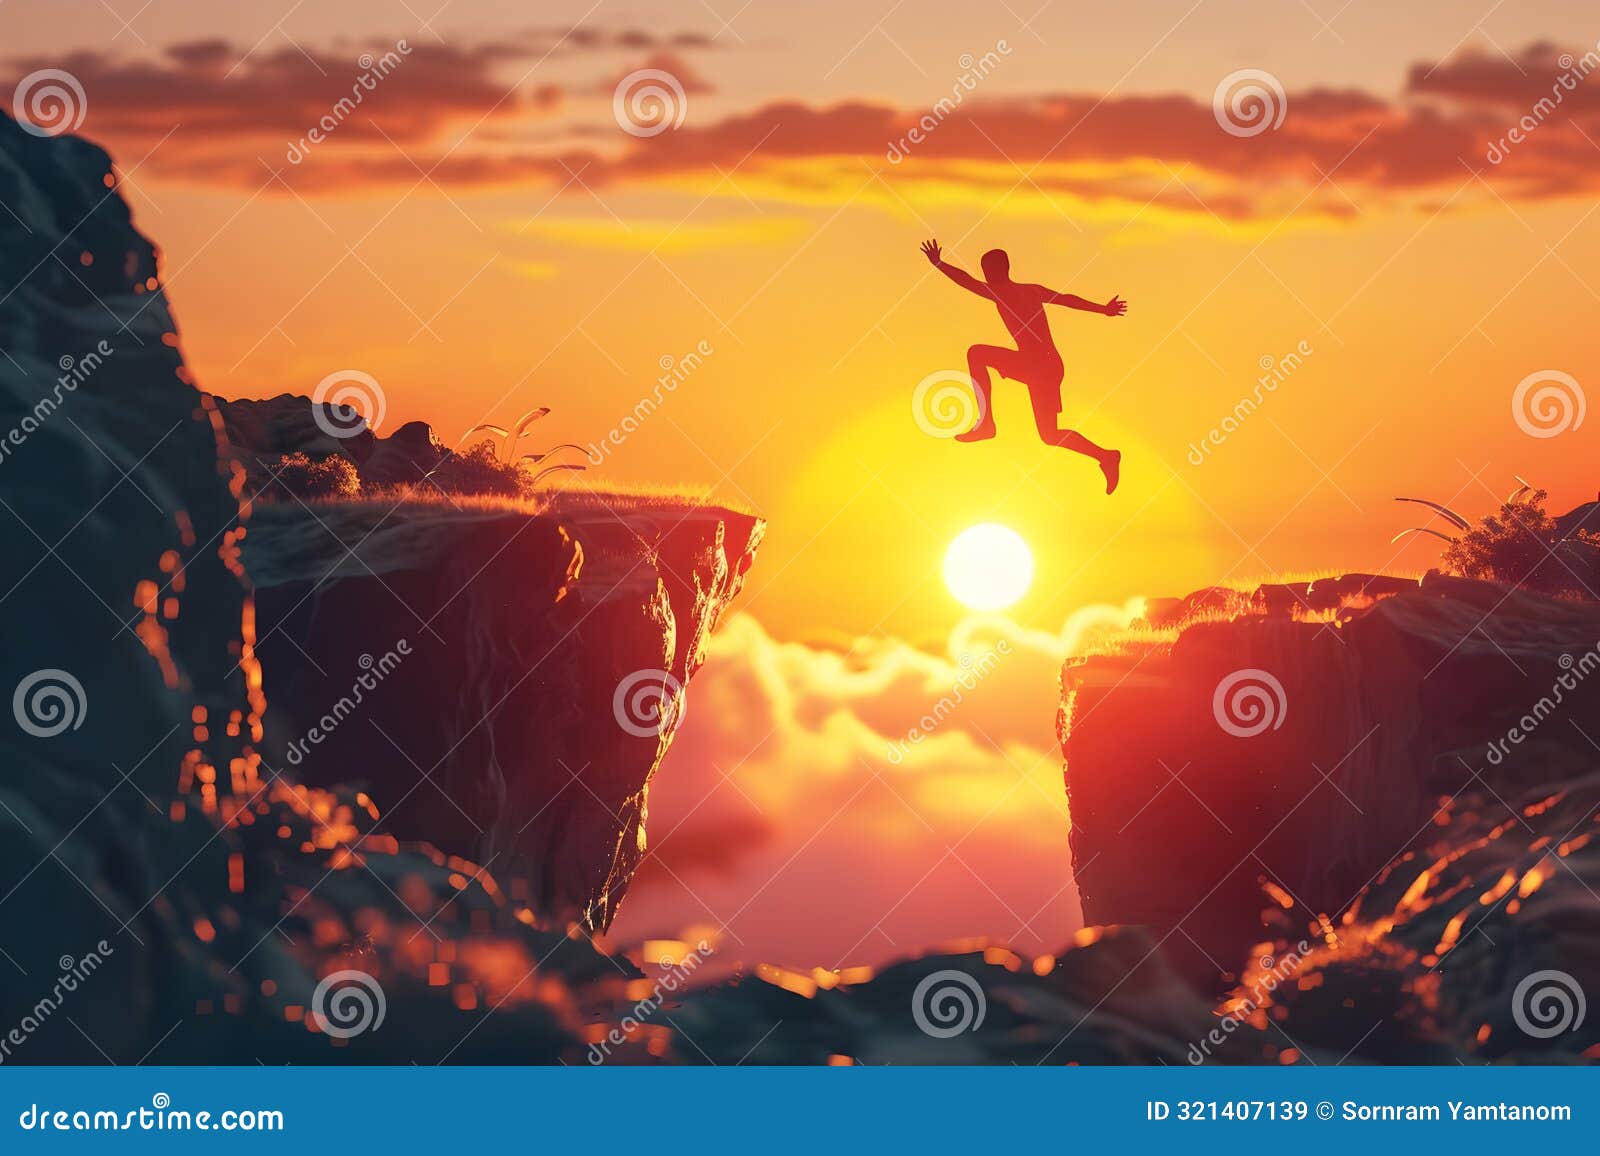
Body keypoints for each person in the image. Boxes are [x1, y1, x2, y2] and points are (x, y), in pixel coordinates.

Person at [921, 239, 1126, 494]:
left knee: (976, 354)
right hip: (1049, 366)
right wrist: (1103, 309)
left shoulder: (999, 292)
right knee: (1050, 435)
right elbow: (1067, 299)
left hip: (1034, 364)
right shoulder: (1032, 290)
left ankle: (986, 423)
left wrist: (939, 264)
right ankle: (1106, 456)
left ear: (992, 272)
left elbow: (967, 282)